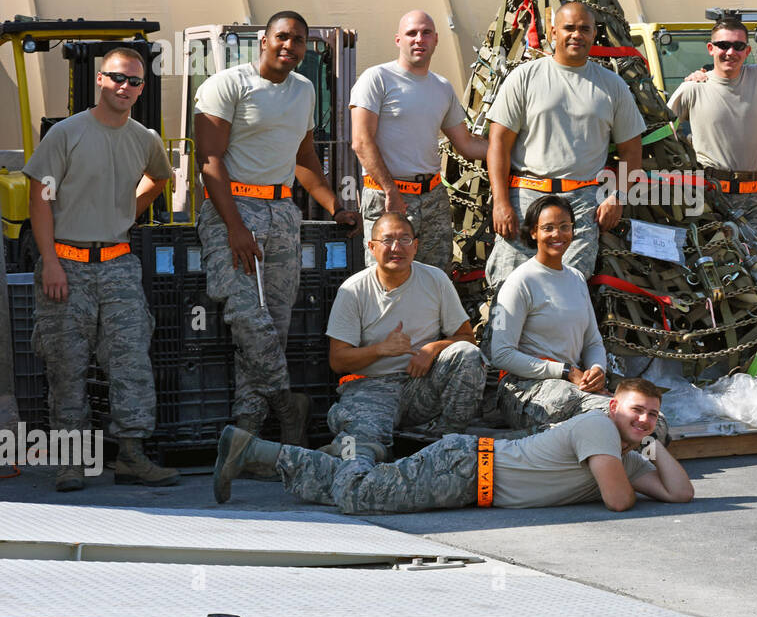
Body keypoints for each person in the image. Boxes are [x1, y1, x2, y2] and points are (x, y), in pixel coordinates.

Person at [194, 10, 361, 443]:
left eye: (299, 41)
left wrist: (333, 206)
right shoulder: (226, 85)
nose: (290, 46)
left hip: (282, 211)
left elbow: (304, 159)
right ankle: (289, 405)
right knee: (247, 316)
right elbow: (209, 161)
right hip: (234, 207)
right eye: (282, 37)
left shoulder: (303, 90)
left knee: (276, 324)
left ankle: (247, 435)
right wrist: (234, 226)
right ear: (264, 42)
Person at [23, 47, 178, 490]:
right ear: (99, 80)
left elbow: (160, 178)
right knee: (66, 365)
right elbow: (41, 199)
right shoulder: (67, 135)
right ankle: (72, 462)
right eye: (117, 78)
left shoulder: (144, 138)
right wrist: (50, 261)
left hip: (118, 266)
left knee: (131, 361)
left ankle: (131, 455)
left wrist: (127, 211)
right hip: (66, 267)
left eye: (134, 82)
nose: (125, 87)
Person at [213, 377, 694, 514]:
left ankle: (251, 451)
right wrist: (639, 453)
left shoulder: (625, 455)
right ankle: (361, 448)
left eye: (652, 415)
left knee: (348, 490)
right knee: (357, 494)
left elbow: (680, 494)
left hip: (472, 481)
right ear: (613, 407)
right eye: (637, 410)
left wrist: (654, 446)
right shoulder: (598, 429)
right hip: (468, 466)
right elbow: (617, 500)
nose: (644, 420)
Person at [484, 1, 645, 286]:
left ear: (594, 34)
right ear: (553, 32)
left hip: (581, 203)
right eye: (569, 28)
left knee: (569, 288)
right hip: (525, 197)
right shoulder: (524, 78)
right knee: (509, 287)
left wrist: (617, 197)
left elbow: (632, 152)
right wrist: (500, 202)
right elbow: (498, 143)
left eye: (585, 29)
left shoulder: (612, 86)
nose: (577, 35)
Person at [321, 212, 486, 462]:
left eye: (404, 240)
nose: (396, 248)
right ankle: (351, 452)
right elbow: (338, 361)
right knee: (359, 450)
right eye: (387, 240)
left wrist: (432, 349)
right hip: (371, 387)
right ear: (372, 247)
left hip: (419, 384)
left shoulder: (435, 279)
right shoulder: (353, 290)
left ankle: (446, 443)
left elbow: (466, 337)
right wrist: (381, 349)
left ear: (416, 246)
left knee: (467, 355)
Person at [351, 10, 488, 271]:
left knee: (435, 277)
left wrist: (512, 148)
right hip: (388, 197)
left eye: (426, 33)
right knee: (388, 277)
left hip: (433, 198)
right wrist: (390, 190)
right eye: (411, 33)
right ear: (398, 40)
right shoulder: (377, 79)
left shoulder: (442, 87)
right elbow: (361, 141)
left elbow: (467, 144)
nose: (419, 39)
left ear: (436, 40)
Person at [489, 195, 621, 432]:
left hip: (574, 386)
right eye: (548, 228)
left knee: (638, 417)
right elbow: (501, 355)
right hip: (526, 389)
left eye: (564, 227)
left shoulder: (577, 278)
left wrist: (597, 370)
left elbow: (592, 341)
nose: (557, 235)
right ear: (533, 233)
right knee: (605, 420)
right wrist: (564, 371)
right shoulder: (519, 282)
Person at [667, 18, 757, 277]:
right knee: (712, 269)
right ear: (711, 48)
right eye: (723, 45)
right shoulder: (692, 88)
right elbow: (662, 134)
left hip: (752, 197)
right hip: (710, 197)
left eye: (738, 46)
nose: (730, 52)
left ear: (747, 50)